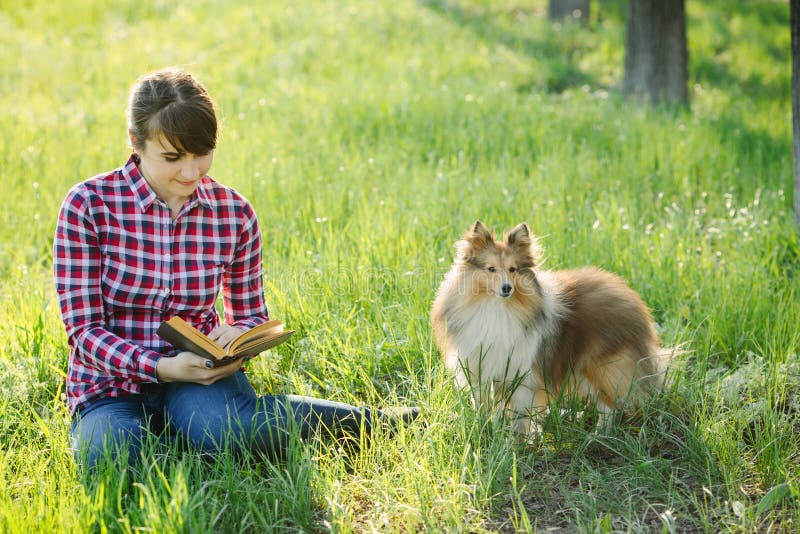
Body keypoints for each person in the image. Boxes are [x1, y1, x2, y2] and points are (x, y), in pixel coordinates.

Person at [53, 67, 418, 470]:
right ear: (135, 143)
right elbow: (84, 333)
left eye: (202, 154)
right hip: (110, 385)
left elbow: (251, 315)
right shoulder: (88, 205)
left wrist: (237, 338)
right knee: (112, 458)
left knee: (229, 433)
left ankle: (382, 425)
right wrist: (160, 367)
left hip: (200, 379)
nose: (191, 172)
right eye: (172, 158)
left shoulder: (233, 212)